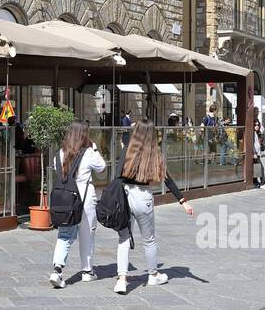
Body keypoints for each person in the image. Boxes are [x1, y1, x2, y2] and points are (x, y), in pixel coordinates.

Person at [111, 120, 194, 295]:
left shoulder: (127, 149)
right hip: (143, 197)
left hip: (126, 195)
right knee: (148, 240)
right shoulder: (153, 154)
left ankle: (121, 279)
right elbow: (167, 179)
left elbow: (117, 175)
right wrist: (182, 201)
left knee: (124, 239)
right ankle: (153, 274)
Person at [48, 121, 104, 289]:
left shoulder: (59, 153)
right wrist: (94, 147)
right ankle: (87, 271)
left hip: (64, 200)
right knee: (87, 234)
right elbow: (102, 168)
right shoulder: (88, 153)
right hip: (84, 199)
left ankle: (57, 270)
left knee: (64, 235)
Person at [252, 119, 265, 189]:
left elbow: (260, 142)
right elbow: (251, 144)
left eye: (258, 125)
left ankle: (256, 182)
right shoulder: (252, 133)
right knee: (261, 168)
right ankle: (263, 183)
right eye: (255, 125)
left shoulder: (257, 133)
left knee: (256, 168)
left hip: (257, 153)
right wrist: (254, 153)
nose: (257, 126)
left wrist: (261, 134)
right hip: (255, 153)